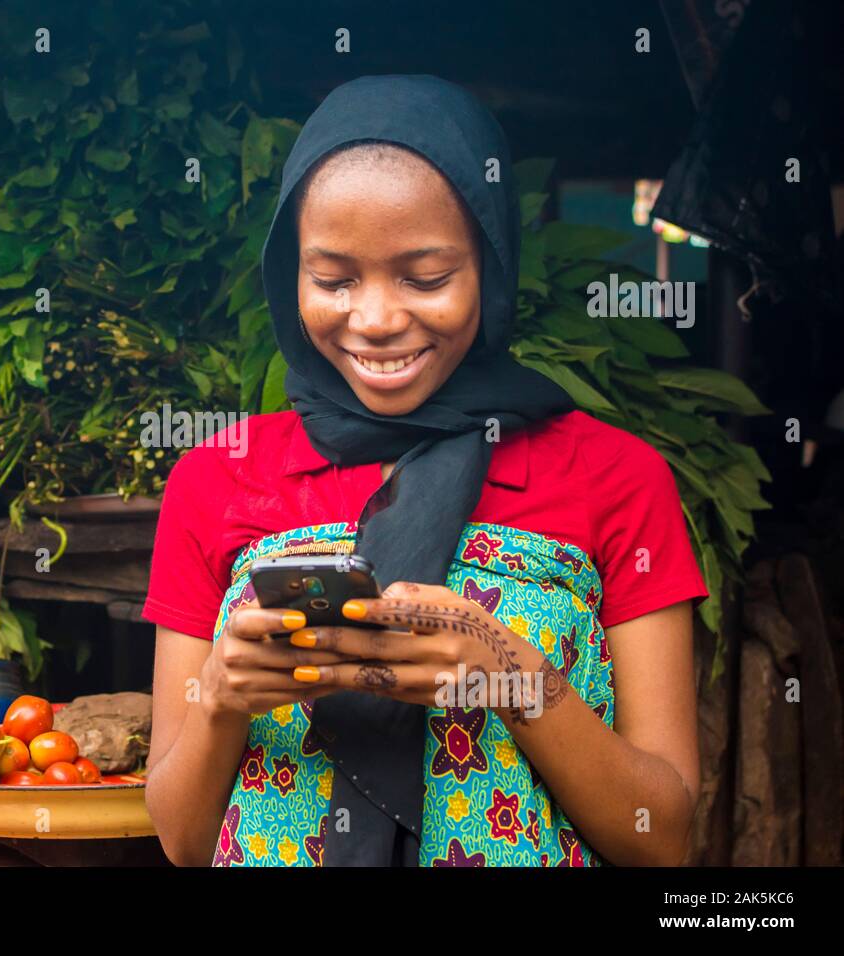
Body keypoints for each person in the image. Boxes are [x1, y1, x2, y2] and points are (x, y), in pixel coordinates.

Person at [141, 75, 707, 867]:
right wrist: (223, 700)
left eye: (426, 277)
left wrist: (506, 671)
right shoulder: (218, 477)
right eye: (333, 279)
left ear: (491, 264)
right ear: (287, 274)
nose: (374, 320)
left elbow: (666, 839)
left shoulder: (618, 477)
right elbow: (181, 840)